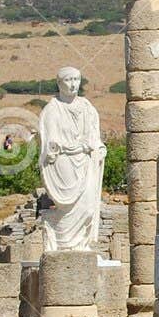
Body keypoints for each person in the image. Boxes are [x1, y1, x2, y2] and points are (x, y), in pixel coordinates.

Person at [37, 66, 105, 252]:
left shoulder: (87, 107)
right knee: (67, 206)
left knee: (88, 208)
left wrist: (99, 147)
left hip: (85, 160)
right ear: (59, 83)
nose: (73, 84)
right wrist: (53, 148)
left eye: (76, 79)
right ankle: (62, 246)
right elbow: (48, 141)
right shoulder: (52, 109)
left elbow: (95, 136)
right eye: (68, 80)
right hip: (63, 162)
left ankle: (80, 245)